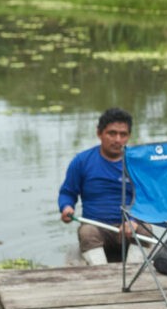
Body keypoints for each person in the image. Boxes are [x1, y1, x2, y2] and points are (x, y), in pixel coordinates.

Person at [58, 107, 142, 264]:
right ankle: (102, 273)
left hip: (129, 227)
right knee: (87, 232)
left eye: (123, 134)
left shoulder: (137, 164)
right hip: (96, 227)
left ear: (128, 136)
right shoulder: (82, 161)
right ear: (99, 133)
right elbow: (67, 193)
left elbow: (146, 199)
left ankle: (133, 272)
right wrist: (66, 207)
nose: (117, 140)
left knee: (146, 229)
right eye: (112, 133)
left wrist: (133, 220)